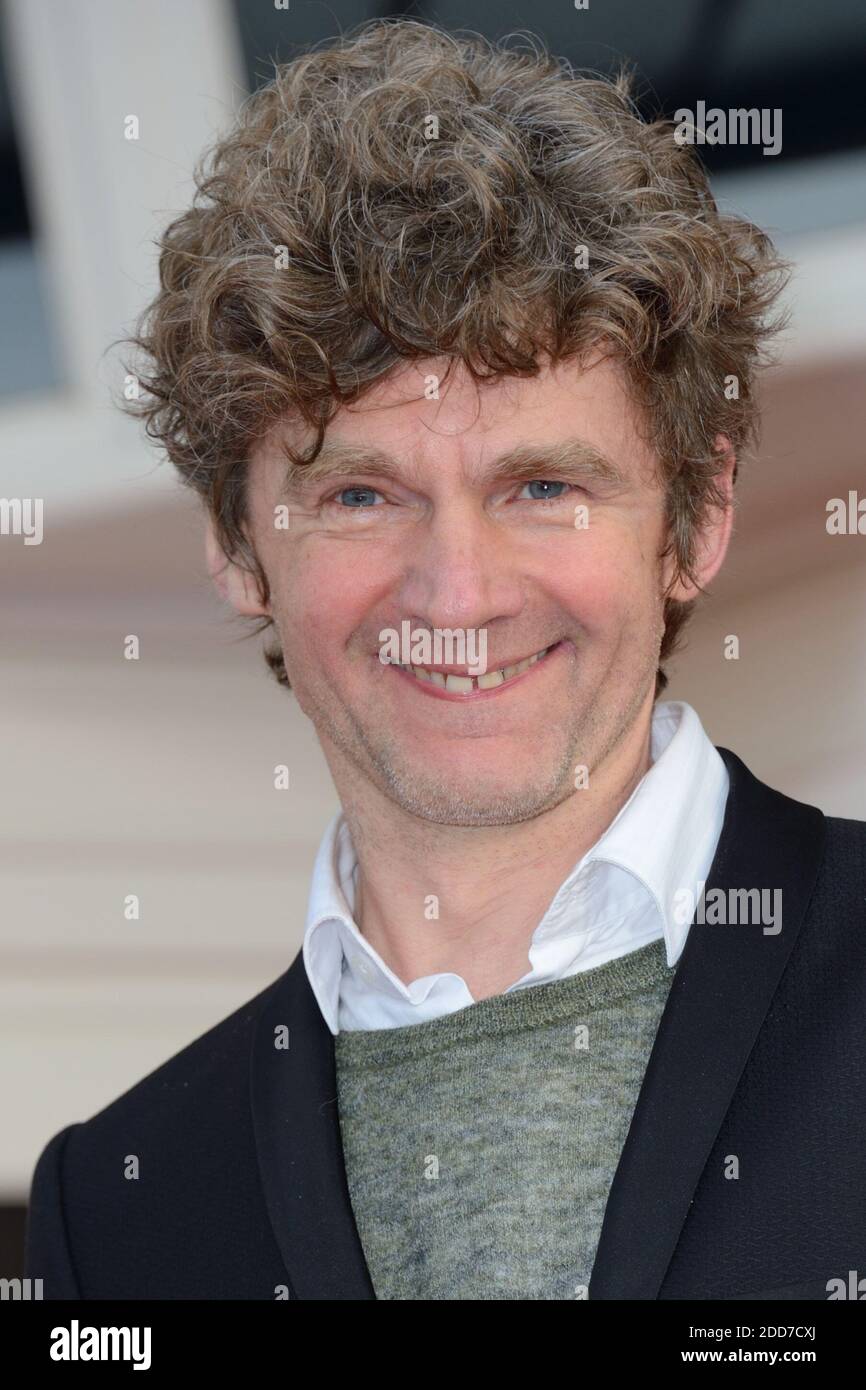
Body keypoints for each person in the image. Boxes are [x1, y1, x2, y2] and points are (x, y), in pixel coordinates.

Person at [25, 17, 866, 1301]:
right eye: (361, 496)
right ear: (239, 549)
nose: (455, 594)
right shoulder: (120, 1209)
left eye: (538, 485)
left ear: (693, 519)